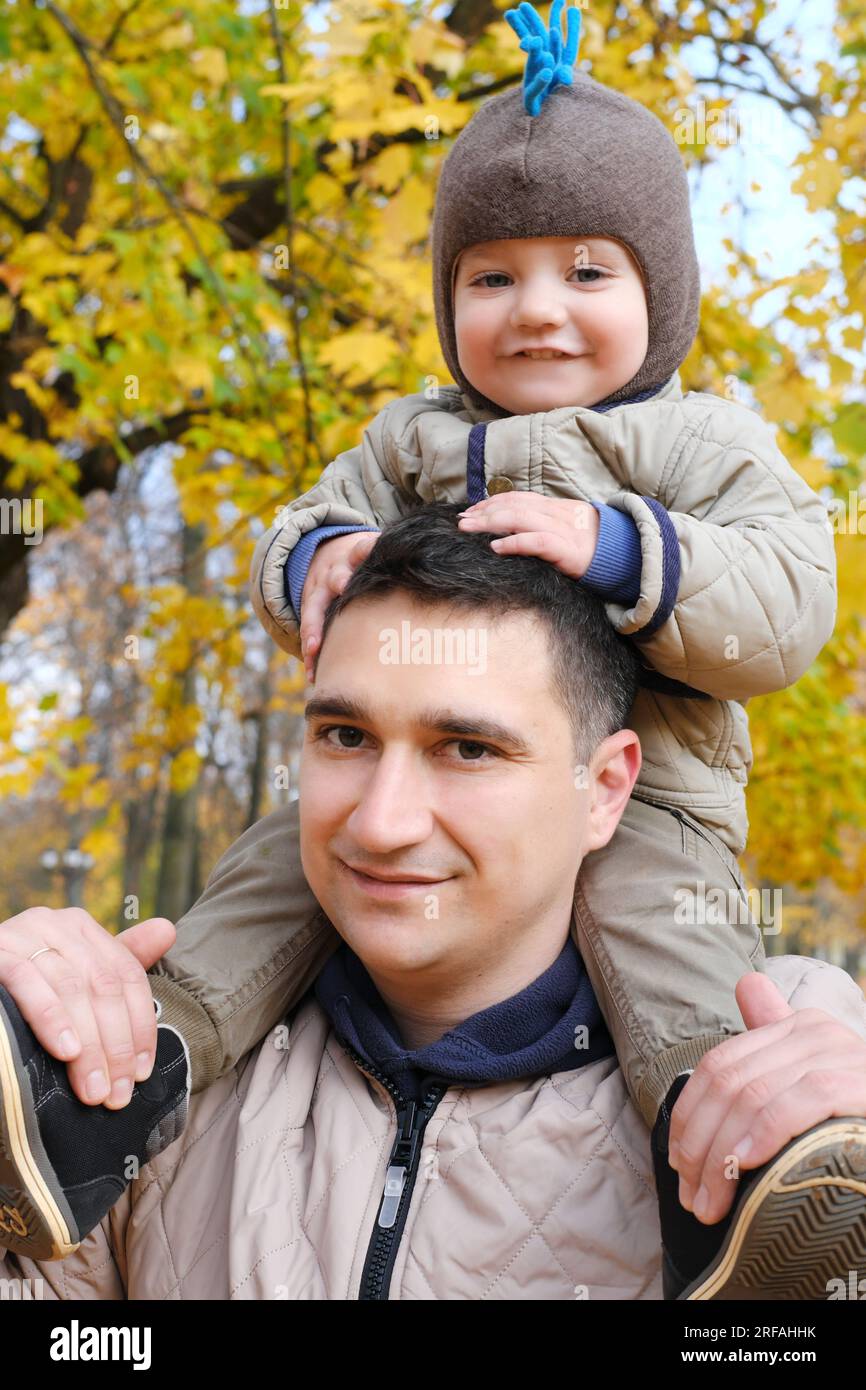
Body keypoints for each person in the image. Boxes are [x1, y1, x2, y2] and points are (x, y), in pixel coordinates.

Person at [1, 504, 865, 1301]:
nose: (380, 824)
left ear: (605, 790)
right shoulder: (130, 1083)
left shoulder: (782, 1095)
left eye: (468, 748)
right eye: (346, 736)